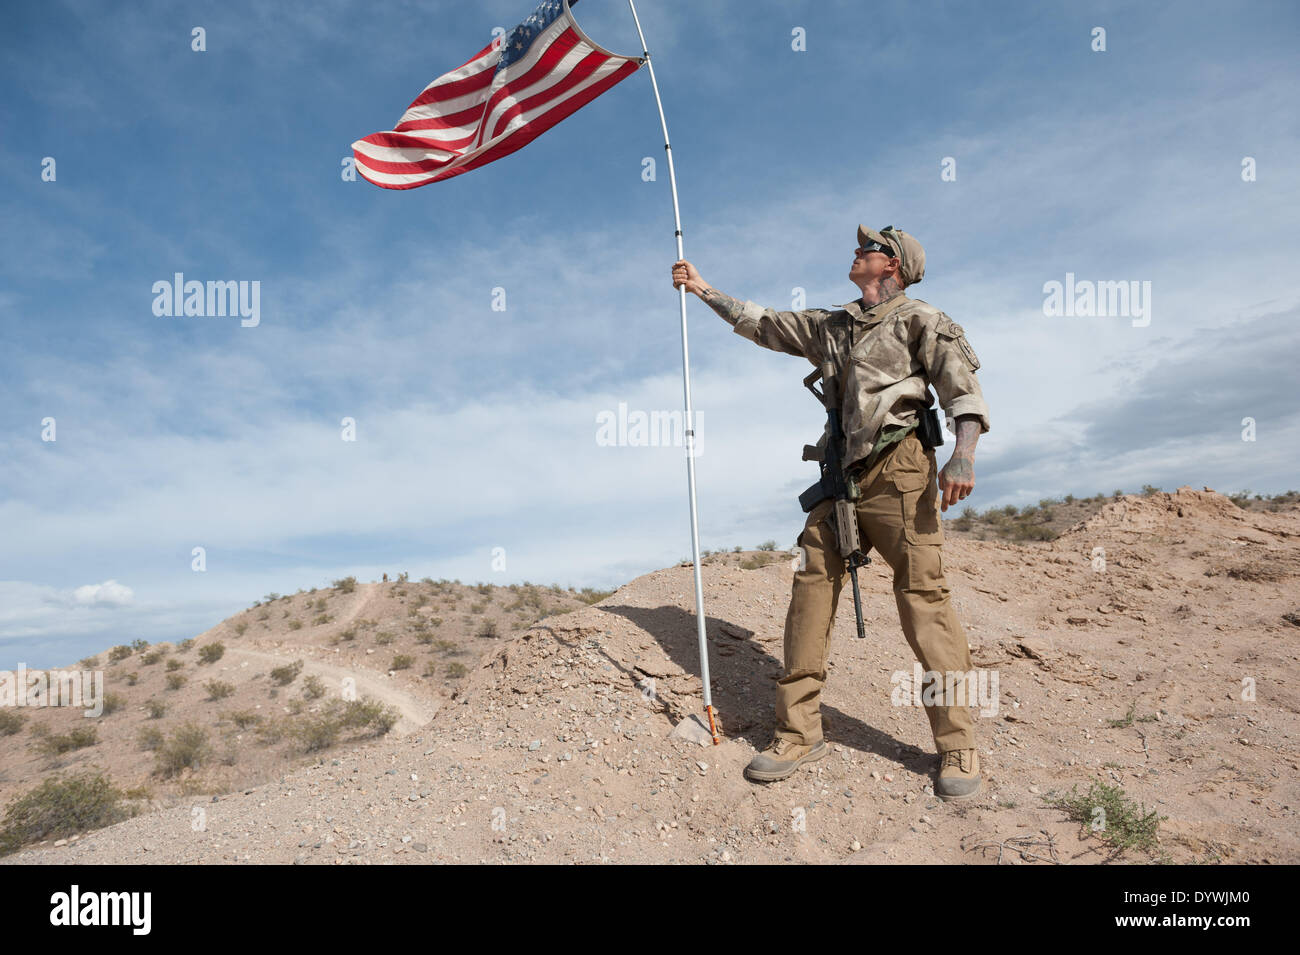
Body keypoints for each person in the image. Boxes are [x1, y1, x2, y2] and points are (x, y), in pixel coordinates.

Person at [671, 225, 990, 800]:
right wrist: (703, 290)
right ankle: (797, 733)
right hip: (839, 479)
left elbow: (963, 394)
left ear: (891, 264)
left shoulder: (922, 319)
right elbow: (764, 324)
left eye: (866, 249)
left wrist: (962, 456)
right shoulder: (833, 325)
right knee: (810, 590)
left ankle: (956, 744)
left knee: (924, 601)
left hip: (903, 471)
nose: (855, 253)